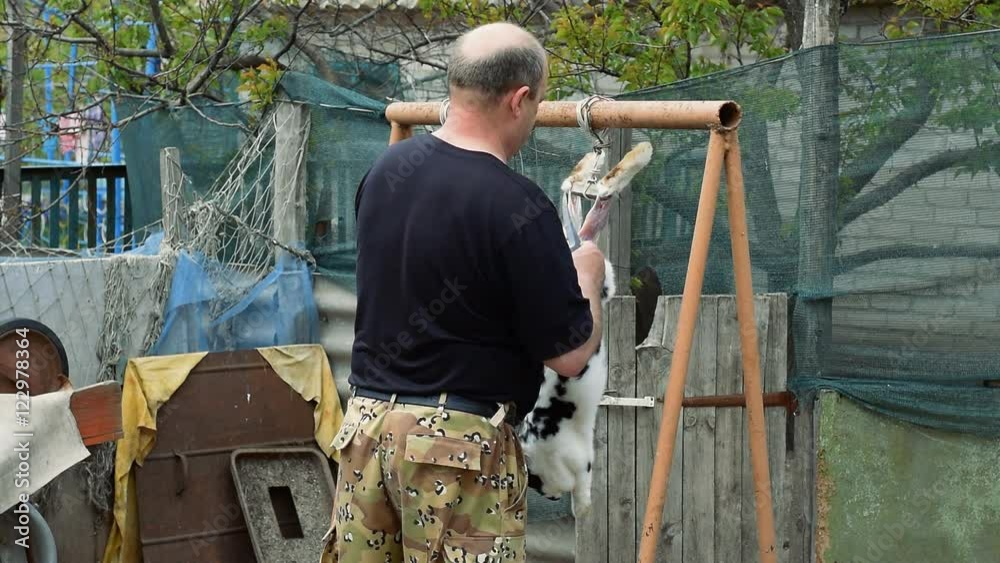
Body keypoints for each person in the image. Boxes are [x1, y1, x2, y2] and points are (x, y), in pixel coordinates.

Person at [322, 21, 607, 563]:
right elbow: (569, 355)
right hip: (452, 446)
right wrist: (586, 276)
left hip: (366, 430)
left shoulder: (384, 172)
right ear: (520, 100)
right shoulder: (517, 205)